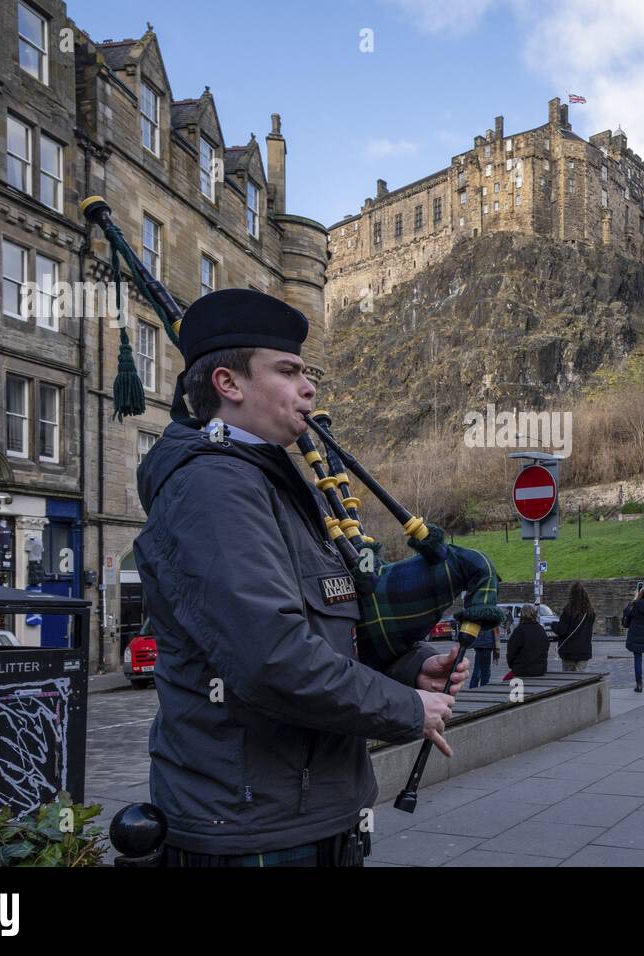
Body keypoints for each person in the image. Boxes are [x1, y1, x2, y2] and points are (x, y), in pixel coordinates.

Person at [134, 288, 465, 868]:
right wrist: (407, 708)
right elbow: (270, 660)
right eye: (287, 371)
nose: (309, 387)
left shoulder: (270, 484)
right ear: (228, 385)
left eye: (306, 373)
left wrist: (410, 668)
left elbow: (324, 633)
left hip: (306, 814)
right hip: (254, 830)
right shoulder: (214, 488)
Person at [552, 582, 595, 672]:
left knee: (568, 679)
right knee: (581, 679)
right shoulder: (590, 611)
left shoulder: (568, 610)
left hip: (569, 651)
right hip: (583, 650)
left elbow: (562, 630)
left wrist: (553, 625)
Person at [506, 604, 550, 678]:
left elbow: (511, 651)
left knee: (505, 680)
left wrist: (513, 665)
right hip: (540, 669)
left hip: (522, 669)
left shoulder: (519, 630)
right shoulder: (540, 629)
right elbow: (546, 647)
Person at [470, 622, 499, 687]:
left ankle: (473, 687)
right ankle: (482, 687)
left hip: (480, 644)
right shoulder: (490, 616)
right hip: (486, 644)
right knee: (484, 671)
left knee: (479, 669)